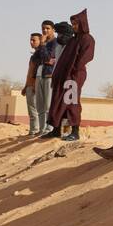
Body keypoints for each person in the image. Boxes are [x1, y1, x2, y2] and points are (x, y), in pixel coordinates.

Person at [45, 10, 94, 142]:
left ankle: (75, 131)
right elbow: (64, 58)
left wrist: (74, 71)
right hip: (63, 76)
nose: (74, 27)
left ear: (82, 24)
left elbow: (86, 57)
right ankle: (56, 130)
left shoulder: (87, 39)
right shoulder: (73, 40)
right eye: (72, 24)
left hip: (74, 76)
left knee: (71, 102)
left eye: (76, 24)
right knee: (57, 101)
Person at [32, 21, 57, 137]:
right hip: (39, 75)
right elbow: (36, 59)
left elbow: (48, 57)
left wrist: (42, 45)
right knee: (40, 105)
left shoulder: (55, 43)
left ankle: (49, 129)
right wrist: (46, 59)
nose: (45, 31)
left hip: (49, 75)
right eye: (43, 28)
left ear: (53, 30)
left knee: (48, 104)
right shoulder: (44, 43)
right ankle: (42, 130)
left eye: (47, 28)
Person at [21, 32, 44, 136]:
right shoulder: (33, 56)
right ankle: (33, 130)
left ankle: (35, 130)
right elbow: (30, 72)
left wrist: (35, 85)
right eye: (30, 40)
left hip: (36, 86)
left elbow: (38, 73)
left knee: (35, 109)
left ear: (40, 41)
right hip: (29, 86)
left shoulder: (41, 55)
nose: (31, 42)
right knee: (31, 110)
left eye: (34, 40)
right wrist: (26, 86)